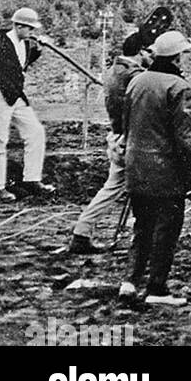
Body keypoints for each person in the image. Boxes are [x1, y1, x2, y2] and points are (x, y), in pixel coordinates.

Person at [120, 30, 191, 307]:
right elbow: (184, 139)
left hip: (135, 167)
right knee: (166, 230)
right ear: (176, 58)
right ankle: (157, 287)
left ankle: (130, 281)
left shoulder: (136, 81)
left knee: (142, 227)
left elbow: (125, 124)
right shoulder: (179, 88)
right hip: (166, 172)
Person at [68, 31, 150, 253]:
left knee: (113, 188)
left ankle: (82, 232)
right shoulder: (135, 76)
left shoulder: (113, 71)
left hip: (117, 138)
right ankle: (141, 237)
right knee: (144, 190)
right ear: (142, 52)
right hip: (131, 141)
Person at [0, 9, 54, 203]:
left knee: (35, 132)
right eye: (29, 28)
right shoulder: (0, 42)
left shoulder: (26, 44)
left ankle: (31, 179)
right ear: (18, 26)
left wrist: (40, 48)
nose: (32, 32)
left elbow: (24, 63)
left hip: (16, 95)